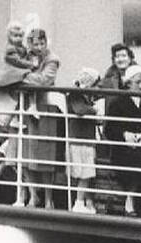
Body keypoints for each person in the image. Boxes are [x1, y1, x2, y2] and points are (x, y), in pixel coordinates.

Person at [105, 66, 141, 218]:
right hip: (125, 147)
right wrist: (125, 135)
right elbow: (110, 129)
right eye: (137, 82)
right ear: (128, 83)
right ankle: (129, 202)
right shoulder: (117, 102)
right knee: (132, 159)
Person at [20, 28, 62, 210]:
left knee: (45, 155)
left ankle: (49, 199)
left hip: (45, 108)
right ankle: (33, 196)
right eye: (34, 44)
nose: (38, 47)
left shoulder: (52, 59)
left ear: (46, 42)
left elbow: (44, 81)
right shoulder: (26, 56)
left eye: (41, 43)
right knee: (27, 153)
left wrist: (21, 76)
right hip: (25, 108)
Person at [67, 68, 103, 214]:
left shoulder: (86, 96)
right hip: (79, 139)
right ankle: (79, 202)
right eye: (95, 85)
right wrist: (95, 110)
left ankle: (86, 201)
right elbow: (79, 110)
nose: (97, 88)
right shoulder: (76, 94)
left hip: (86, 139)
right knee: (84, 172)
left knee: (87, 172)